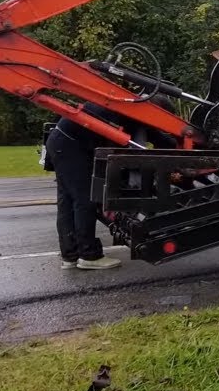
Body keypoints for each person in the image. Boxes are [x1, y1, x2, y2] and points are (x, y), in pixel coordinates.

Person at [45, 98, 176, 270]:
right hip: (72, 147)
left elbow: (155, 136)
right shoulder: (130, 113)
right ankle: (89, 255)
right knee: (85, 200)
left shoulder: (129, 105)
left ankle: (70, 255)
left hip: (61, 142)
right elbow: (137, 143)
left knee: (67, 201)